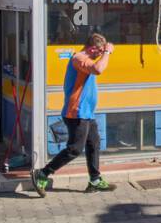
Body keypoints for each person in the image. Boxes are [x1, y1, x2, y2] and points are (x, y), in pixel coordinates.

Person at [31, 32, 114, 195]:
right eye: (99, 51)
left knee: (94, 144)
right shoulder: (79, 59)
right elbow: (98, 69)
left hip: (87, 113)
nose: (101, 55)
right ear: (91, 49)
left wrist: (104, 53)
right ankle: (43, 173)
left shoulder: (87, 58)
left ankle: (95, 180)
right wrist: (108, 52)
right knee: (75, 149)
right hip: (76, 113)